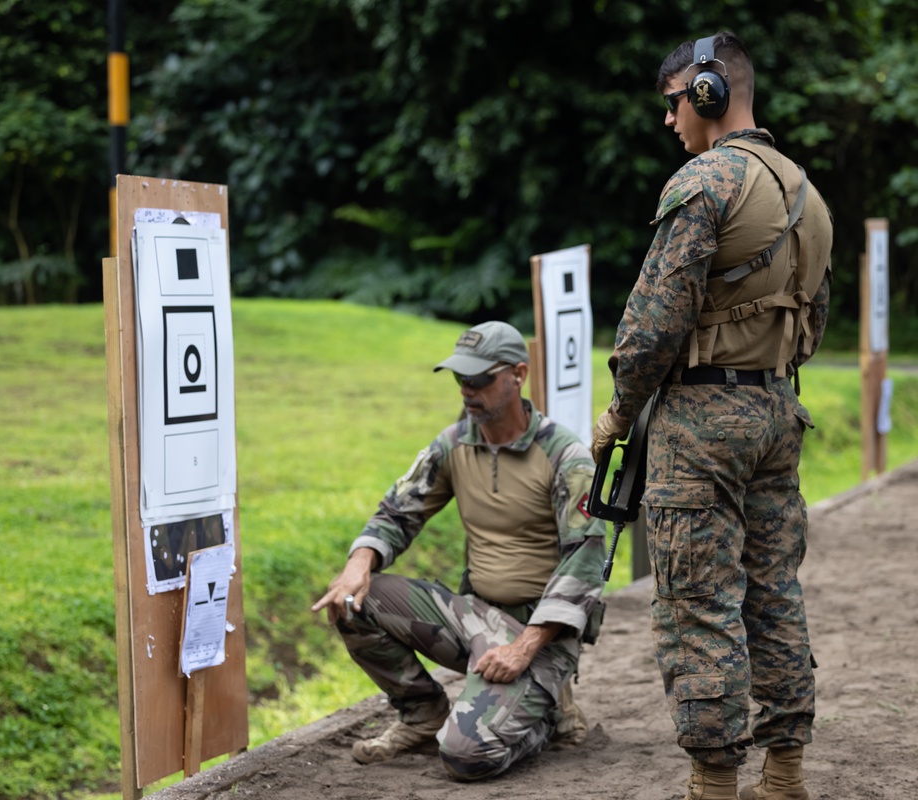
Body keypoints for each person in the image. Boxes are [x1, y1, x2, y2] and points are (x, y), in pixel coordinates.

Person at [591, 32, 832, 800]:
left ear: (706, 95)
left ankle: (713, 782)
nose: (670, 122)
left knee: (698, 599)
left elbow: (654, 322)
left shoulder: (704, 182)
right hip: (776, 409)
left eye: (673, 104)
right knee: (773, 590)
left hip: (700, 423)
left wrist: (618, 414)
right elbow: (815, 318)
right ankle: (785, 770)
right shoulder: (806, 192)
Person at [312, 320, 607, 781]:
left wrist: (525, 647)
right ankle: (423, 715)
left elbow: (586, 560)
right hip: (473, 616)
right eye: (460, 379)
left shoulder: (564, 456)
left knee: (465, 757)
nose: (468, 391)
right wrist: (358, 564)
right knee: (352, 601)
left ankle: (547, 715)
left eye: (481, 380)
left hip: (539, 634)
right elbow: (397, 513)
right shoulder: (454, 444)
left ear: (518, 375)